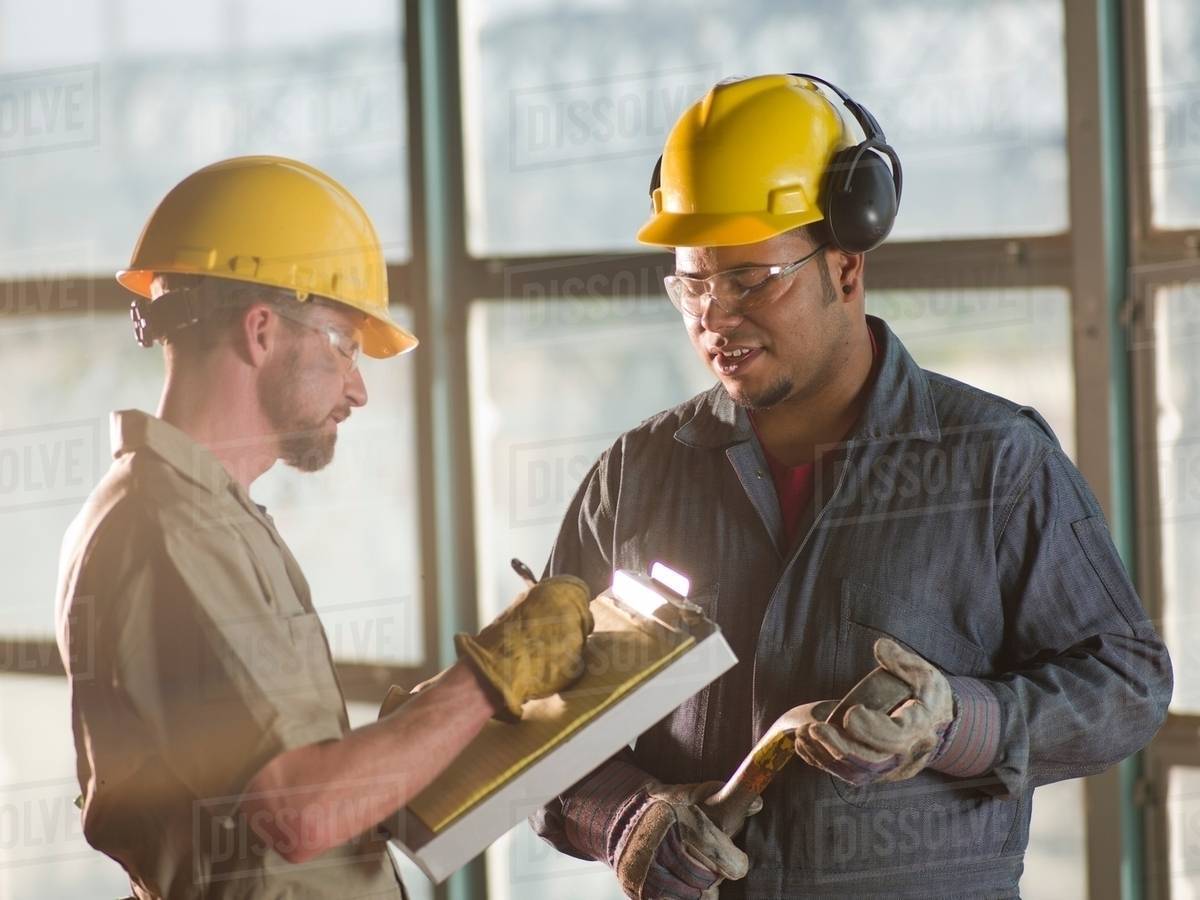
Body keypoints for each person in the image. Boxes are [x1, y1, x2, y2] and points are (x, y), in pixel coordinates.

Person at [531, 74, 1173, 898]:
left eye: (753, 279)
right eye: (692, 284)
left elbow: (1126, 685)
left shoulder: (993, 463)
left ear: (845, 264)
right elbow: (540, 730)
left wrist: (958, 723)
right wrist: (623, 817)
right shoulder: (638, 476)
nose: (715, 317)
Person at [54, 156, 593, 899]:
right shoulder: (172, 530)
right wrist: (488, 677)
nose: (358, 387)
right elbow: (298, 814)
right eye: (343, 342)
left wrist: (422, 732)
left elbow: (278, 786)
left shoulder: (202, 512)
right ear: (262, 330)